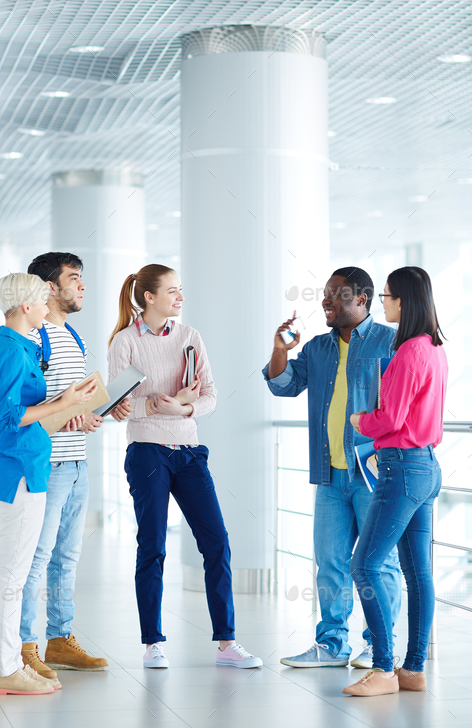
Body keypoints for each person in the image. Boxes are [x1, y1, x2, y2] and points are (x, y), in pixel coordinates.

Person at [107, 264, 263, 670]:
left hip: (190, 451)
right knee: (153, 546)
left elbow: (210, 396)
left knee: (217, 542)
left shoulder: (190, 337)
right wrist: (157, 404)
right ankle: (152, 643)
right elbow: (116, 407)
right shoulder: (125, 342)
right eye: (172, 291)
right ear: (148, 297)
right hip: (148, 452)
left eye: (180, 290)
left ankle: (227, 643)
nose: (180, 297)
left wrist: (185, 407)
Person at [263, 267, 402, 669]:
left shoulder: (389, 342)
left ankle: (380, 645)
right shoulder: (318, 348)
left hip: (374, 472)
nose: (326, 301)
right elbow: (283, 384)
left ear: (362, 300)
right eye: (325, 294)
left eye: (337, 295)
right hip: (330, 475)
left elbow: (402, 406)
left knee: (381, 562)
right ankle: (332, 645)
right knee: (331, 562)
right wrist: (280, 349)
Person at [0, 273, 98, 696]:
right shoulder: (11, 350)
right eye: (41, 300)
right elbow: (8, 418)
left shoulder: (18, 346)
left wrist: (64, 406)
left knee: (16, 572)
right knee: (12, 576)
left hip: (29, 468)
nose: (48, 306)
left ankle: (11, 663)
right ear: (25, 306)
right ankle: (3, 669)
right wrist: (65, 402)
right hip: (17, 471)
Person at [19, 252, 132, 680]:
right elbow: (25, 405)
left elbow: (74, 399)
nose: (82, 286)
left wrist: (104, 408)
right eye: (74, 278)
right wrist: (69, 415)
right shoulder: (33, 336)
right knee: (38, 556)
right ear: (49, 287)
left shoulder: (74, 336)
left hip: (77, 462)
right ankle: (26, 647)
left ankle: (59, 639)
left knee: (66, 557)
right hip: (47, 462)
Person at [342, 267, 447, 697]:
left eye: (386, 296)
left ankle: (384, 668)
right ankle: (413, 669)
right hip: (426, 468)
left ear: (403, 301)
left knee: (363, 564)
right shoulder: (435, 348)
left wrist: (359, 420)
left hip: (401, 469)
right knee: (418, 572)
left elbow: (389, 419)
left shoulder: (407, 352)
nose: (382, 302)